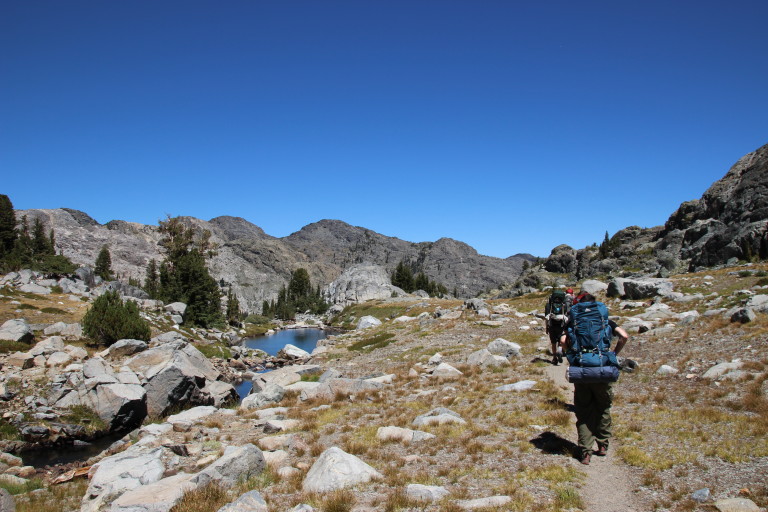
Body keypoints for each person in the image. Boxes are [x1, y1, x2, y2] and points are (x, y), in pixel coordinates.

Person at [560, 291, 629, 465]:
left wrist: (571, 356)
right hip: (602, 368)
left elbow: (562, 341)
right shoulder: (604, 319)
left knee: (583, 412)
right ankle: (603, 444)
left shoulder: (574, 320)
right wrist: (613, 354)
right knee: (603, 407)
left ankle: (585, 452)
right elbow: (624, 336)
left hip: (582, 369)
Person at [544, 290, 569, 365]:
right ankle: (560, 350)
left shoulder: (549, 305)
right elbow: (566, 316)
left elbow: (547, 318)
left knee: (553, 342)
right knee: (560, 340)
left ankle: (554, 357)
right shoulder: (564, 305)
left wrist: (546, 327)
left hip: (552, 326)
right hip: (561, 325)